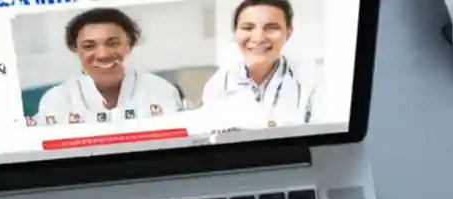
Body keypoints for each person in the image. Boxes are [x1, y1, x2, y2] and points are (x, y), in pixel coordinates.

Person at [34, 8, 185, 125]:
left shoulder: (161, 91)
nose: (103, 55)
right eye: (89, 46)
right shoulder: (57, 100)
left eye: (113, 43)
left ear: (130, 44)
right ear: (75, 49)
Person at [201, 0, 316, 127]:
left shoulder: (309, 84)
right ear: (235, 33)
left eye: (272, 28)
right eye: (248, 28)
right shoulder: (217, 86)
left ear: (288, 33)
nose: (259, 38)